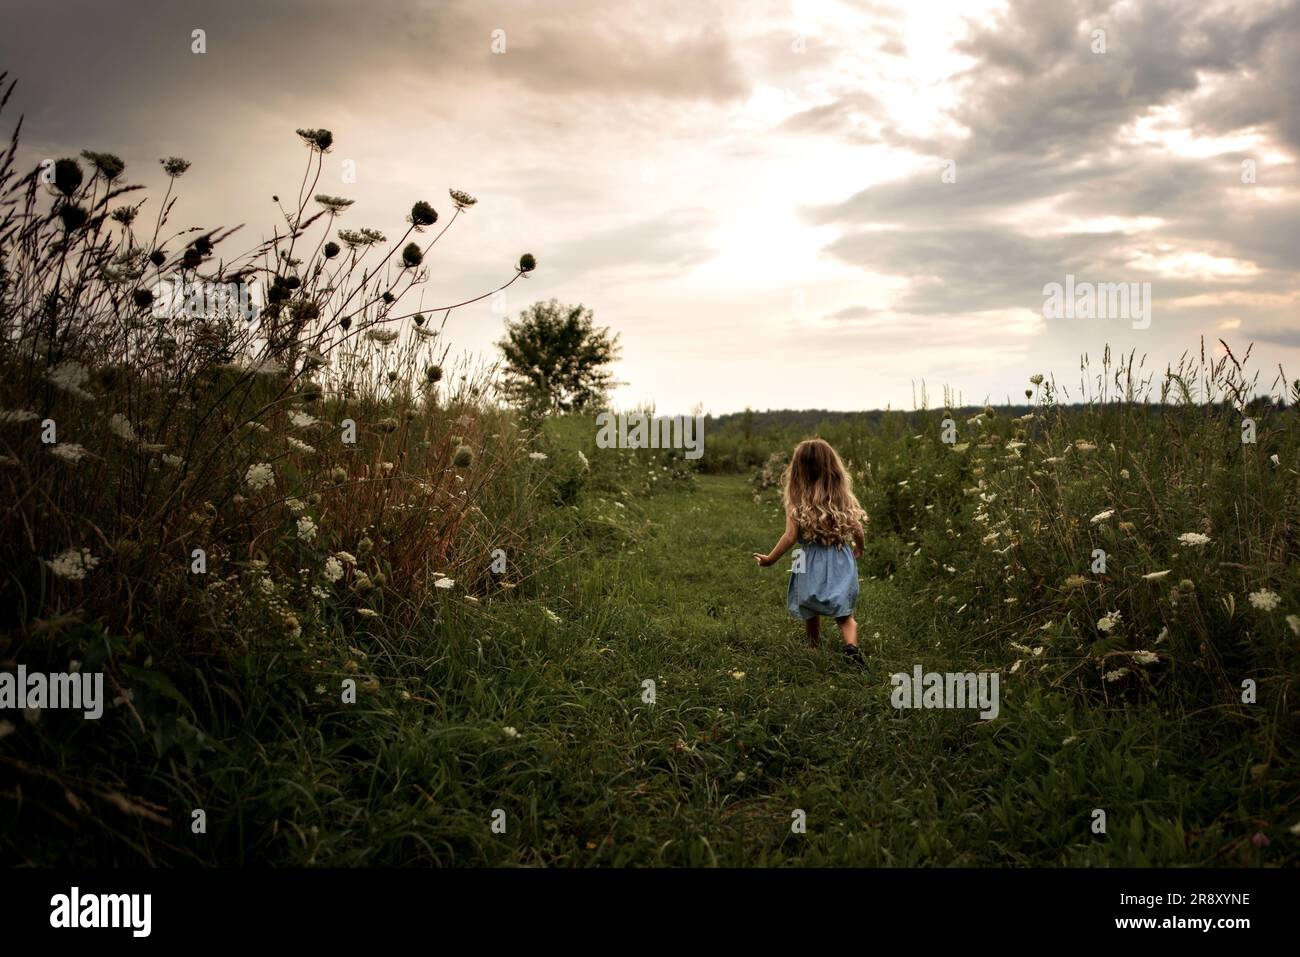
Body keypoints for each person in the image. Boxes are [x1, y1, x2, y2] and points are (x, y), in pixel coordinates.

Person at [753, 438, 866, 664]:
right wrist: (859, 547)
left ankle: (813, 646)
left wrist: (770, 559)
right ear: (833, 468)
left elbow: (790, 537)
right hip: (840, 559)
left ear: (797, 470)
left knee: (809, 607)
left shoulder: (796, 501)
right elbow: (857, 528)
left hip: (808, 560)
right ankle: (851, 647)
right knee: (845, 613)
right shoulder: (842, 498)